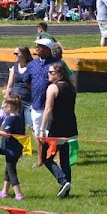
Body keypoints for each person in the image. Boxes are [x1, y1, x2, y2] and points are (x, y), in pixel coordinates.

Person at [37, 59, 77, 197]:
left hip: (57, 127)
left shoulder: (53, 88)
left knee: (46, 158)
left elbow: (48, 109)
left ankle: (63, 180)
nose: (48, 75)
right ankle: (66, 192)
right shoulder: (71, 86)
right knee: (64, 158)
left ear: (59, 74)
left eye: (51, 72)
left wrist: (42, 129)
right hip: (70, 126)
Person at [0, 93, 26, 200]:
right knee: (8, 170)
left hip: (10, 149)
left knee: (11, 171)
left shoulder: (10, 119)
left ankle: (18, 194)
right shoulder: (20, 118)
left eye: (4, 107)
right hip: (17, 148)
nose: (3, 109)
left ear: (9, 107)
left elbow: (6, 134)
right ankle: (4, 192)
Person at [3, 46, 33, 131]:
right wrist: (5, 100)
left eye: (17, 53)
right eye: (14, 53)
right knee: (16, 125)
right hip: (15, 102)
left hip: (27, 102)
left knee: (31, 125)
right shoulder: (14, 68)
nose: (14, 55)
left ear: (24, 55)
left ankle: (41, 144)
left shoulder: (31, 68)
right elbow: (9, 85)